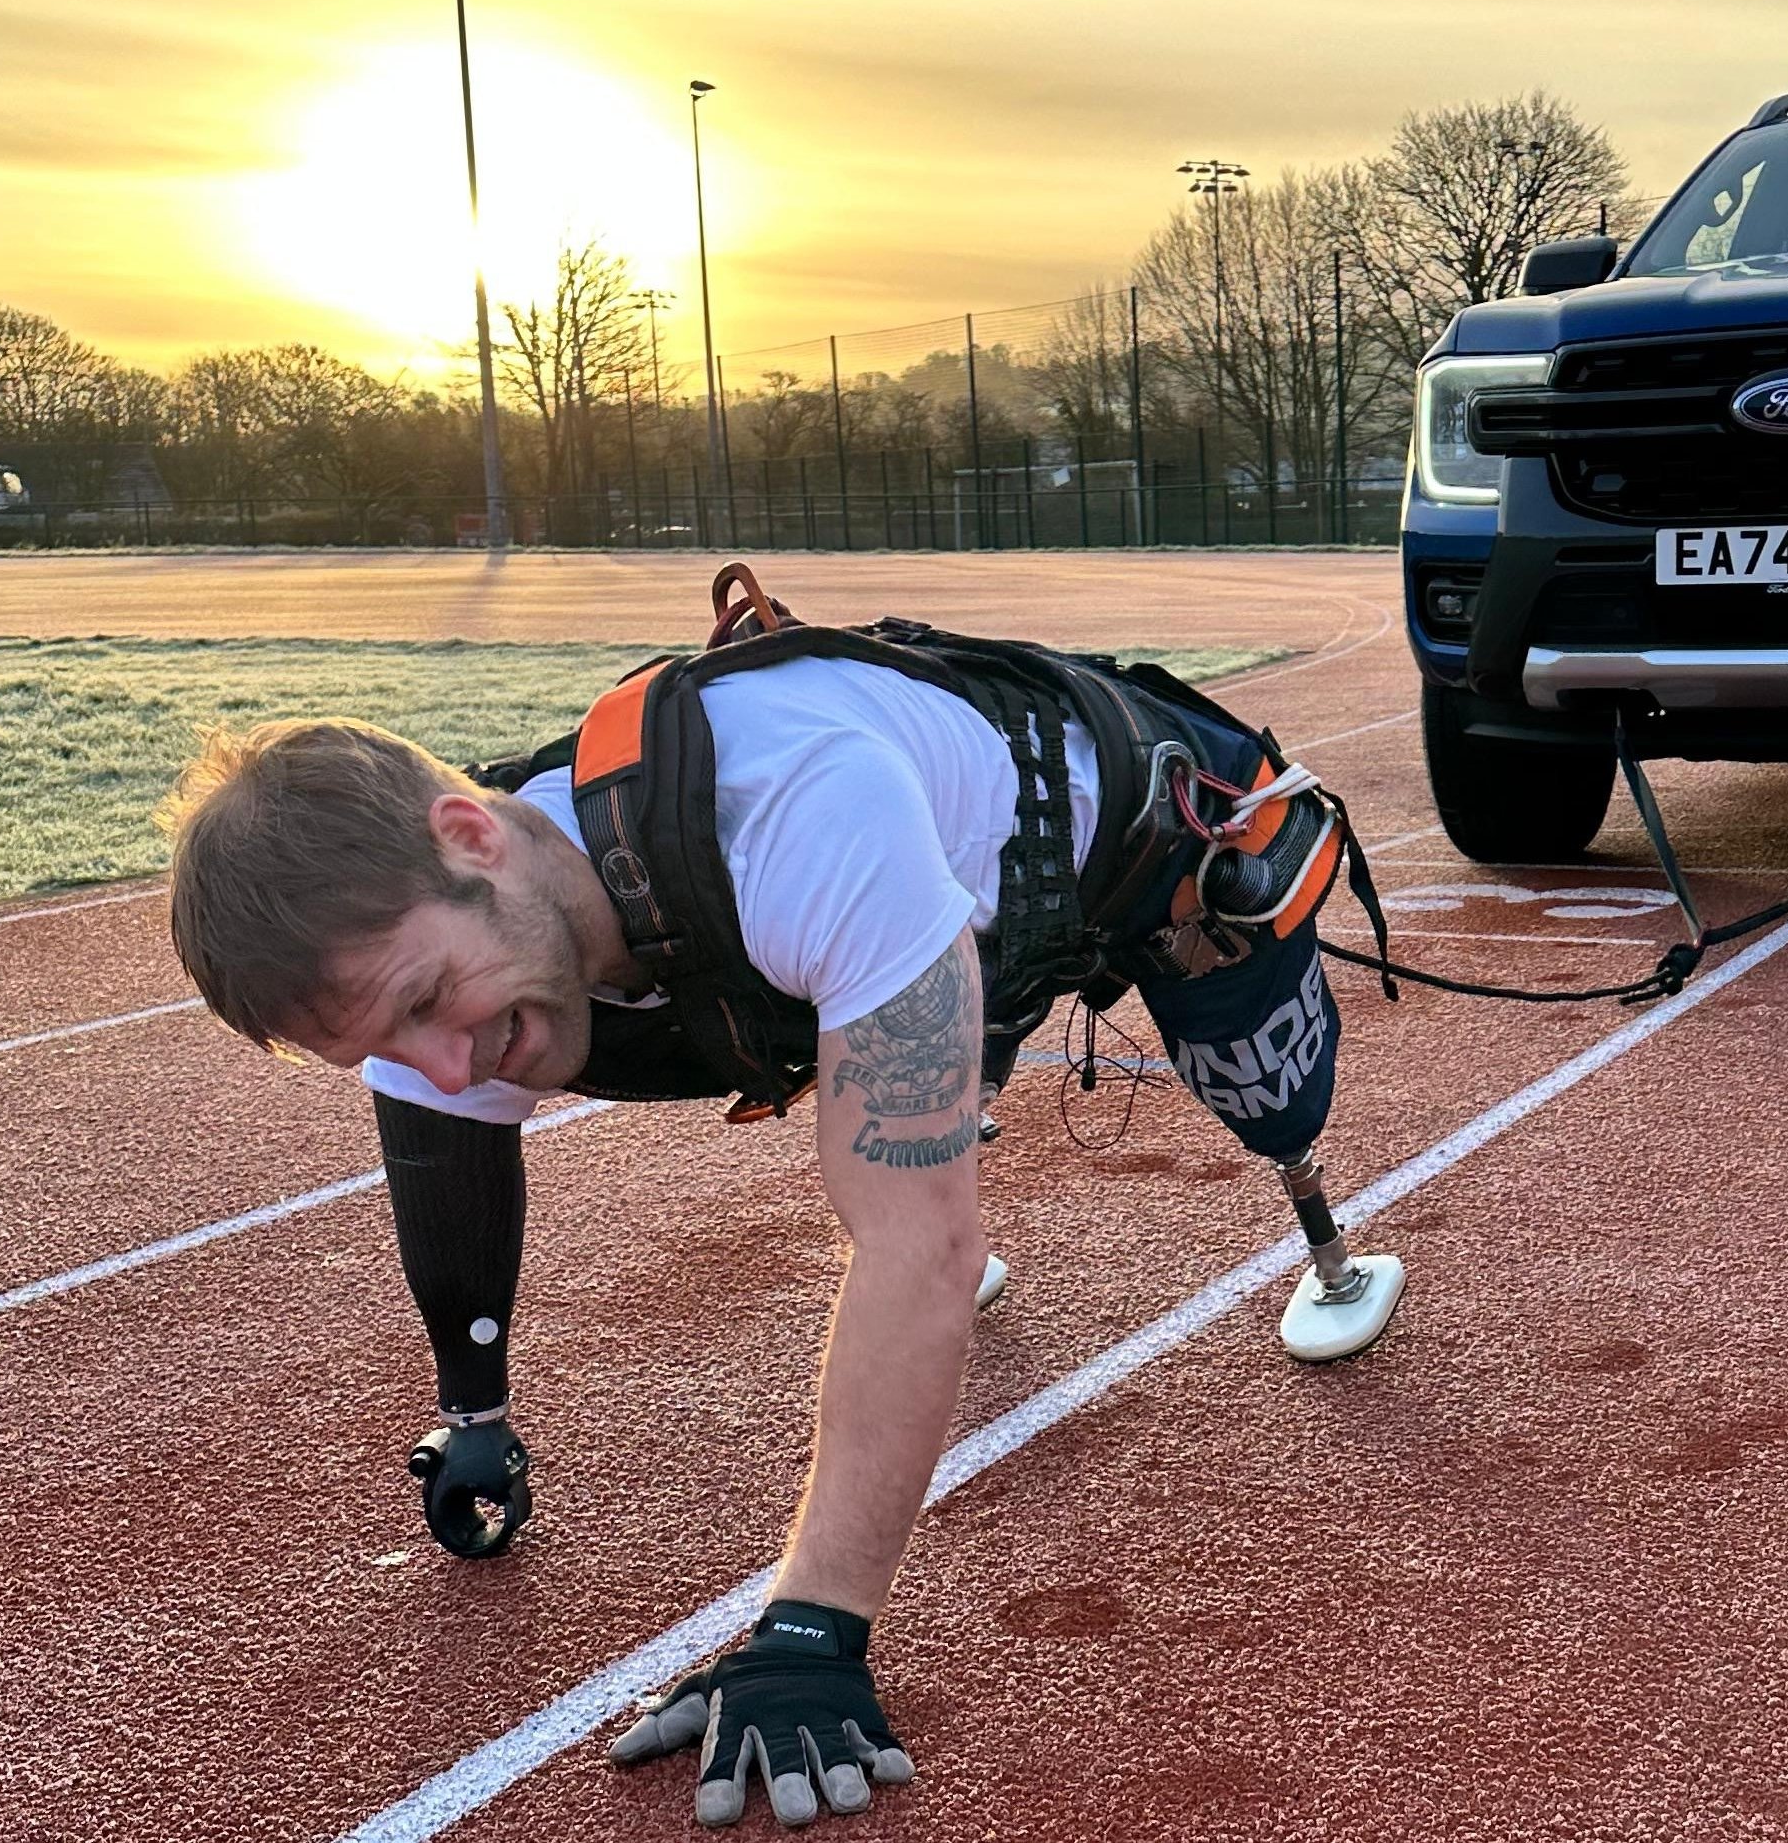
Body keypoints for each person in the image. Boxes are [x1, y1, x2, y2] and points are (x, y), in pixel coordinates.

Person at [156, 573, 1405, 1830]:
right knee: (887, 1067)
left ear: (471, 835)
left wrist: (812, 1627)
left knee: (1268, 1095)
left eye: (428, 1003)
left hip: (1140, 834)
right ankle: (934, 1076)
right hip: (931, 917)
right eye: (381, 1044)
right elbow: (443, 1142)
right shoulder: (444, 946)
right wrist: (471, 1410)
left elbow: (916, 1249)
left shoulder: (800, 817)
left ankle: (1324, 1230)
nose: (445, 1066)